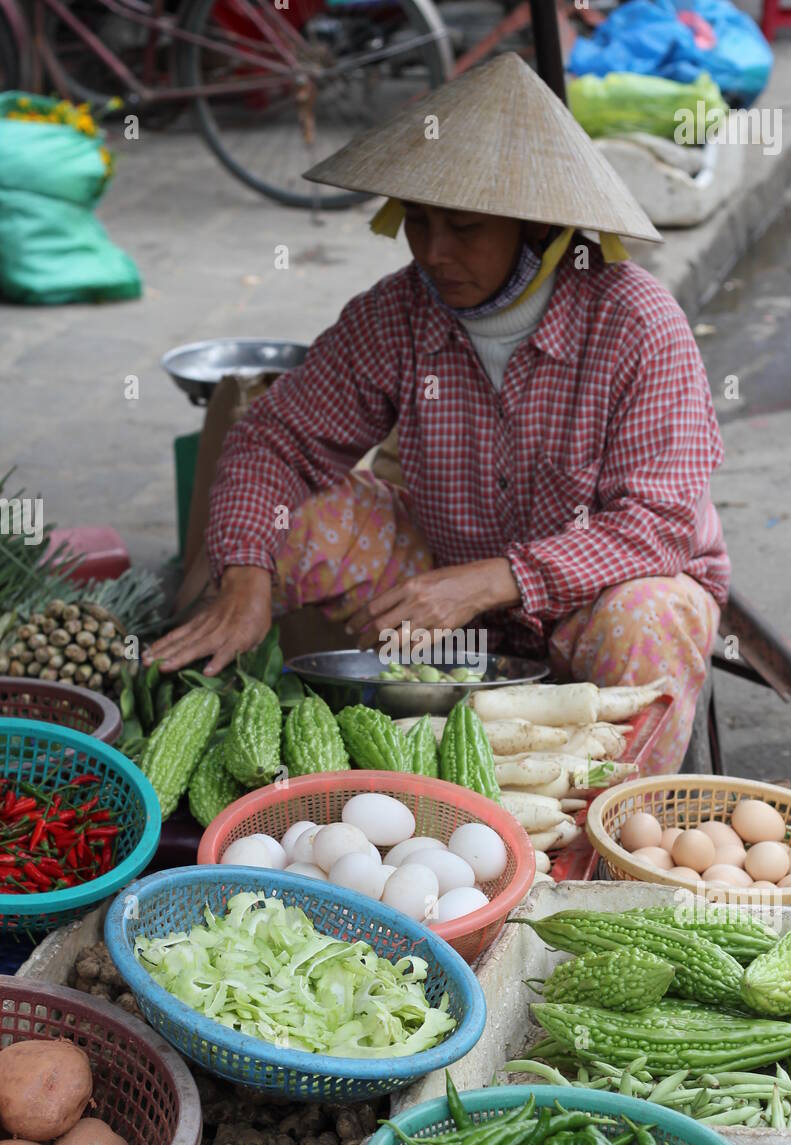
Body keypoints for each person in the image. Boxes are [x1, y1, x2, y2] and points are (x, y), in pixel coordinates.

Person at [149, 53, 729, 773]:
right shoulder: (397, 313)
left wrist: (494, 580)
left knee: (649, 616)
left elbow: (659, 527)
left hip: (598, 598)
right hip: (443, 574)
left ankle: (600, 838)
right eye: (417, 223)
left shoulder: (636, 322)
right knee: (287, 521)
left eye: (463, 227)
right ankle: (254, 733)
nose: (433, 252)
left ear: (539, 230)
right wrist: (244, 580)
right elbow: (274, 440)